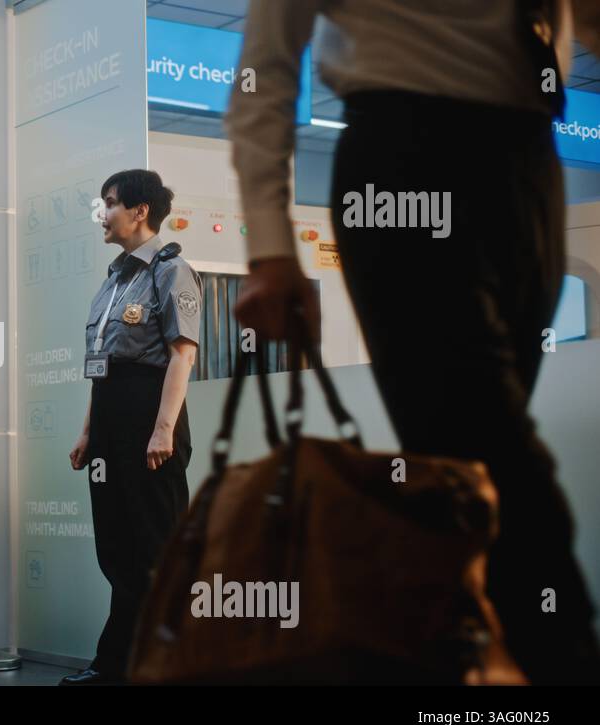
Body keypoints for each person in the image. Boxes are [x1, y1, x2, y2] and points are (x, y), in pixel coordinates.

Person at [227, 1, 600, 684]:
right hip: (403, 152)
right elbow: (267, 59)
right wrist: (271, 248)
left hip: (529, 157)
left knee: (470, 470)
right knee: (491, 451)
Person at [64, 169, 201, 685]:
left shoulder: (172, 271)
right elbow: (103, 365)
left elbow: (181, 356)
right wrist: (87, 431)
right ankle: (120, 662)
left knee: (154, 547)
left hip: (150, 416)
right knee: (117, 547)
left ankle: (154, 663)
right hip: (110, 417)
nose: (104, 213)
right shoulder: (114, 278)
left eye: (111, 203)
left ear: (140, 211)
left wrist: (163, 429)